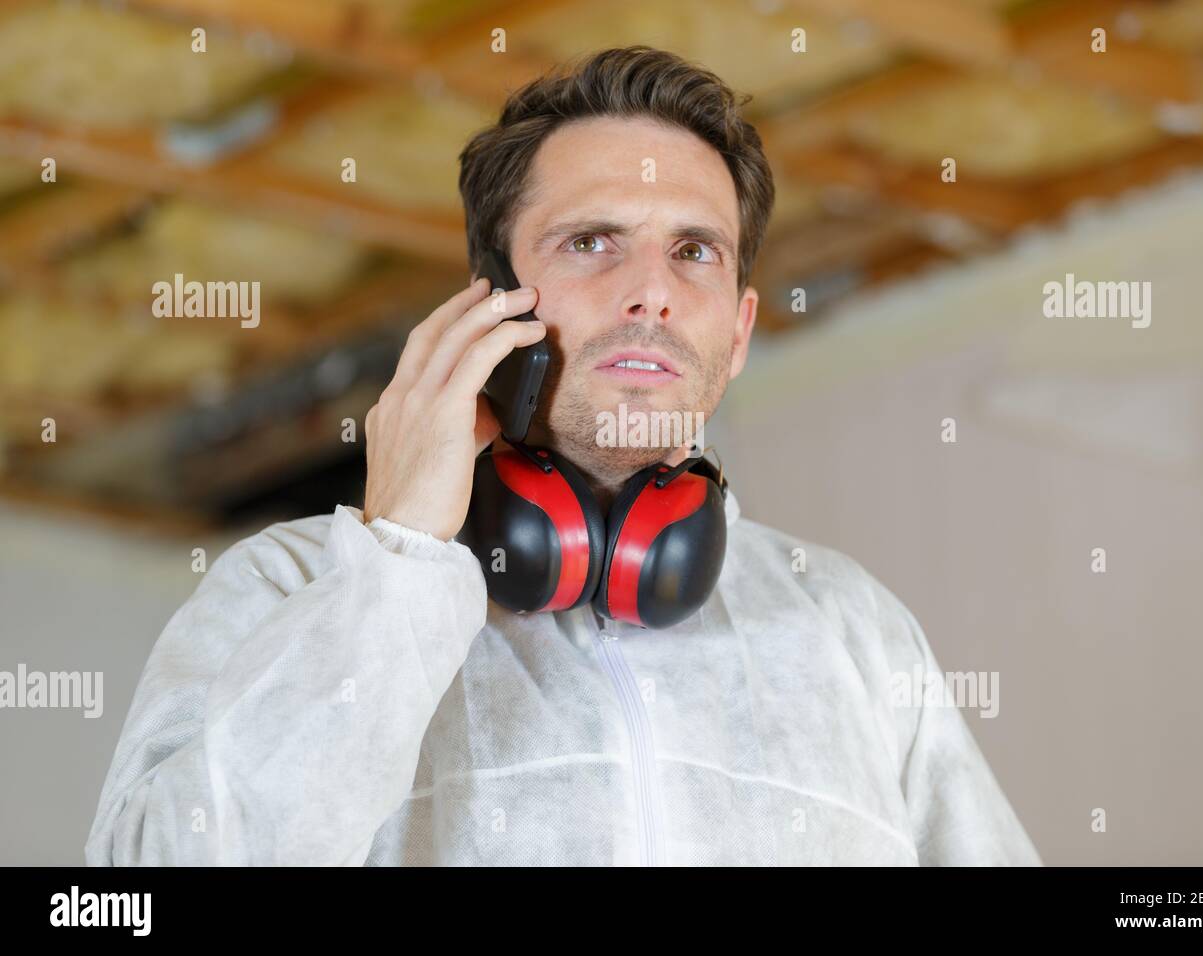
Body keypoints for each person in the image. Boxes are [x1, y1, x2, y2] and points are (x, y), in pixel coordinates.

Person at [86, 46, 1041, 866]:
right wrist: (398, 571)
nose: (651, 295)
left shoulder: (850, 630)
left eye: (695, 252)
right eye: (592, 242)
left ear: (741, 329)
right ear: (490, 308)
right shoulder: (287, 591)